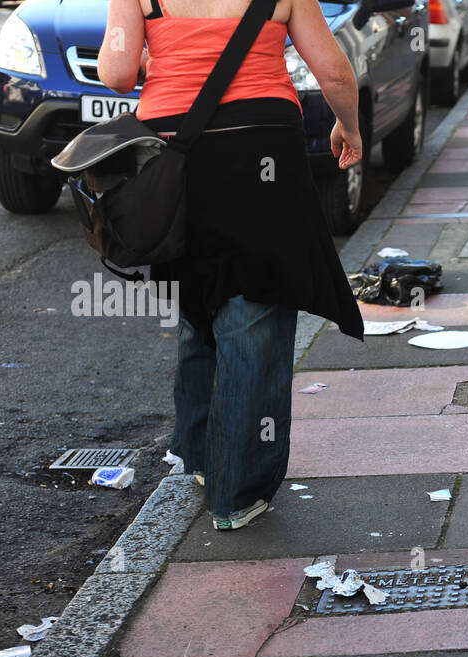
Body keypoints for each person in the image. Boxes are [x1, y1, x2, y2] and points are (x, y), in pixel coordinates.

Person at [98, 0, 364, 530]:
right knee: (256, 306)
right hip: (264, 148)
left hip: (177, 155)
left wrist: (160, 59)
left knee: (198, 302)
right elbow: (332, 69)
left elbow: (117, 73)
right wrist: (348, 127)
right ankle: (237, 493)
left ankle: (199, 459)